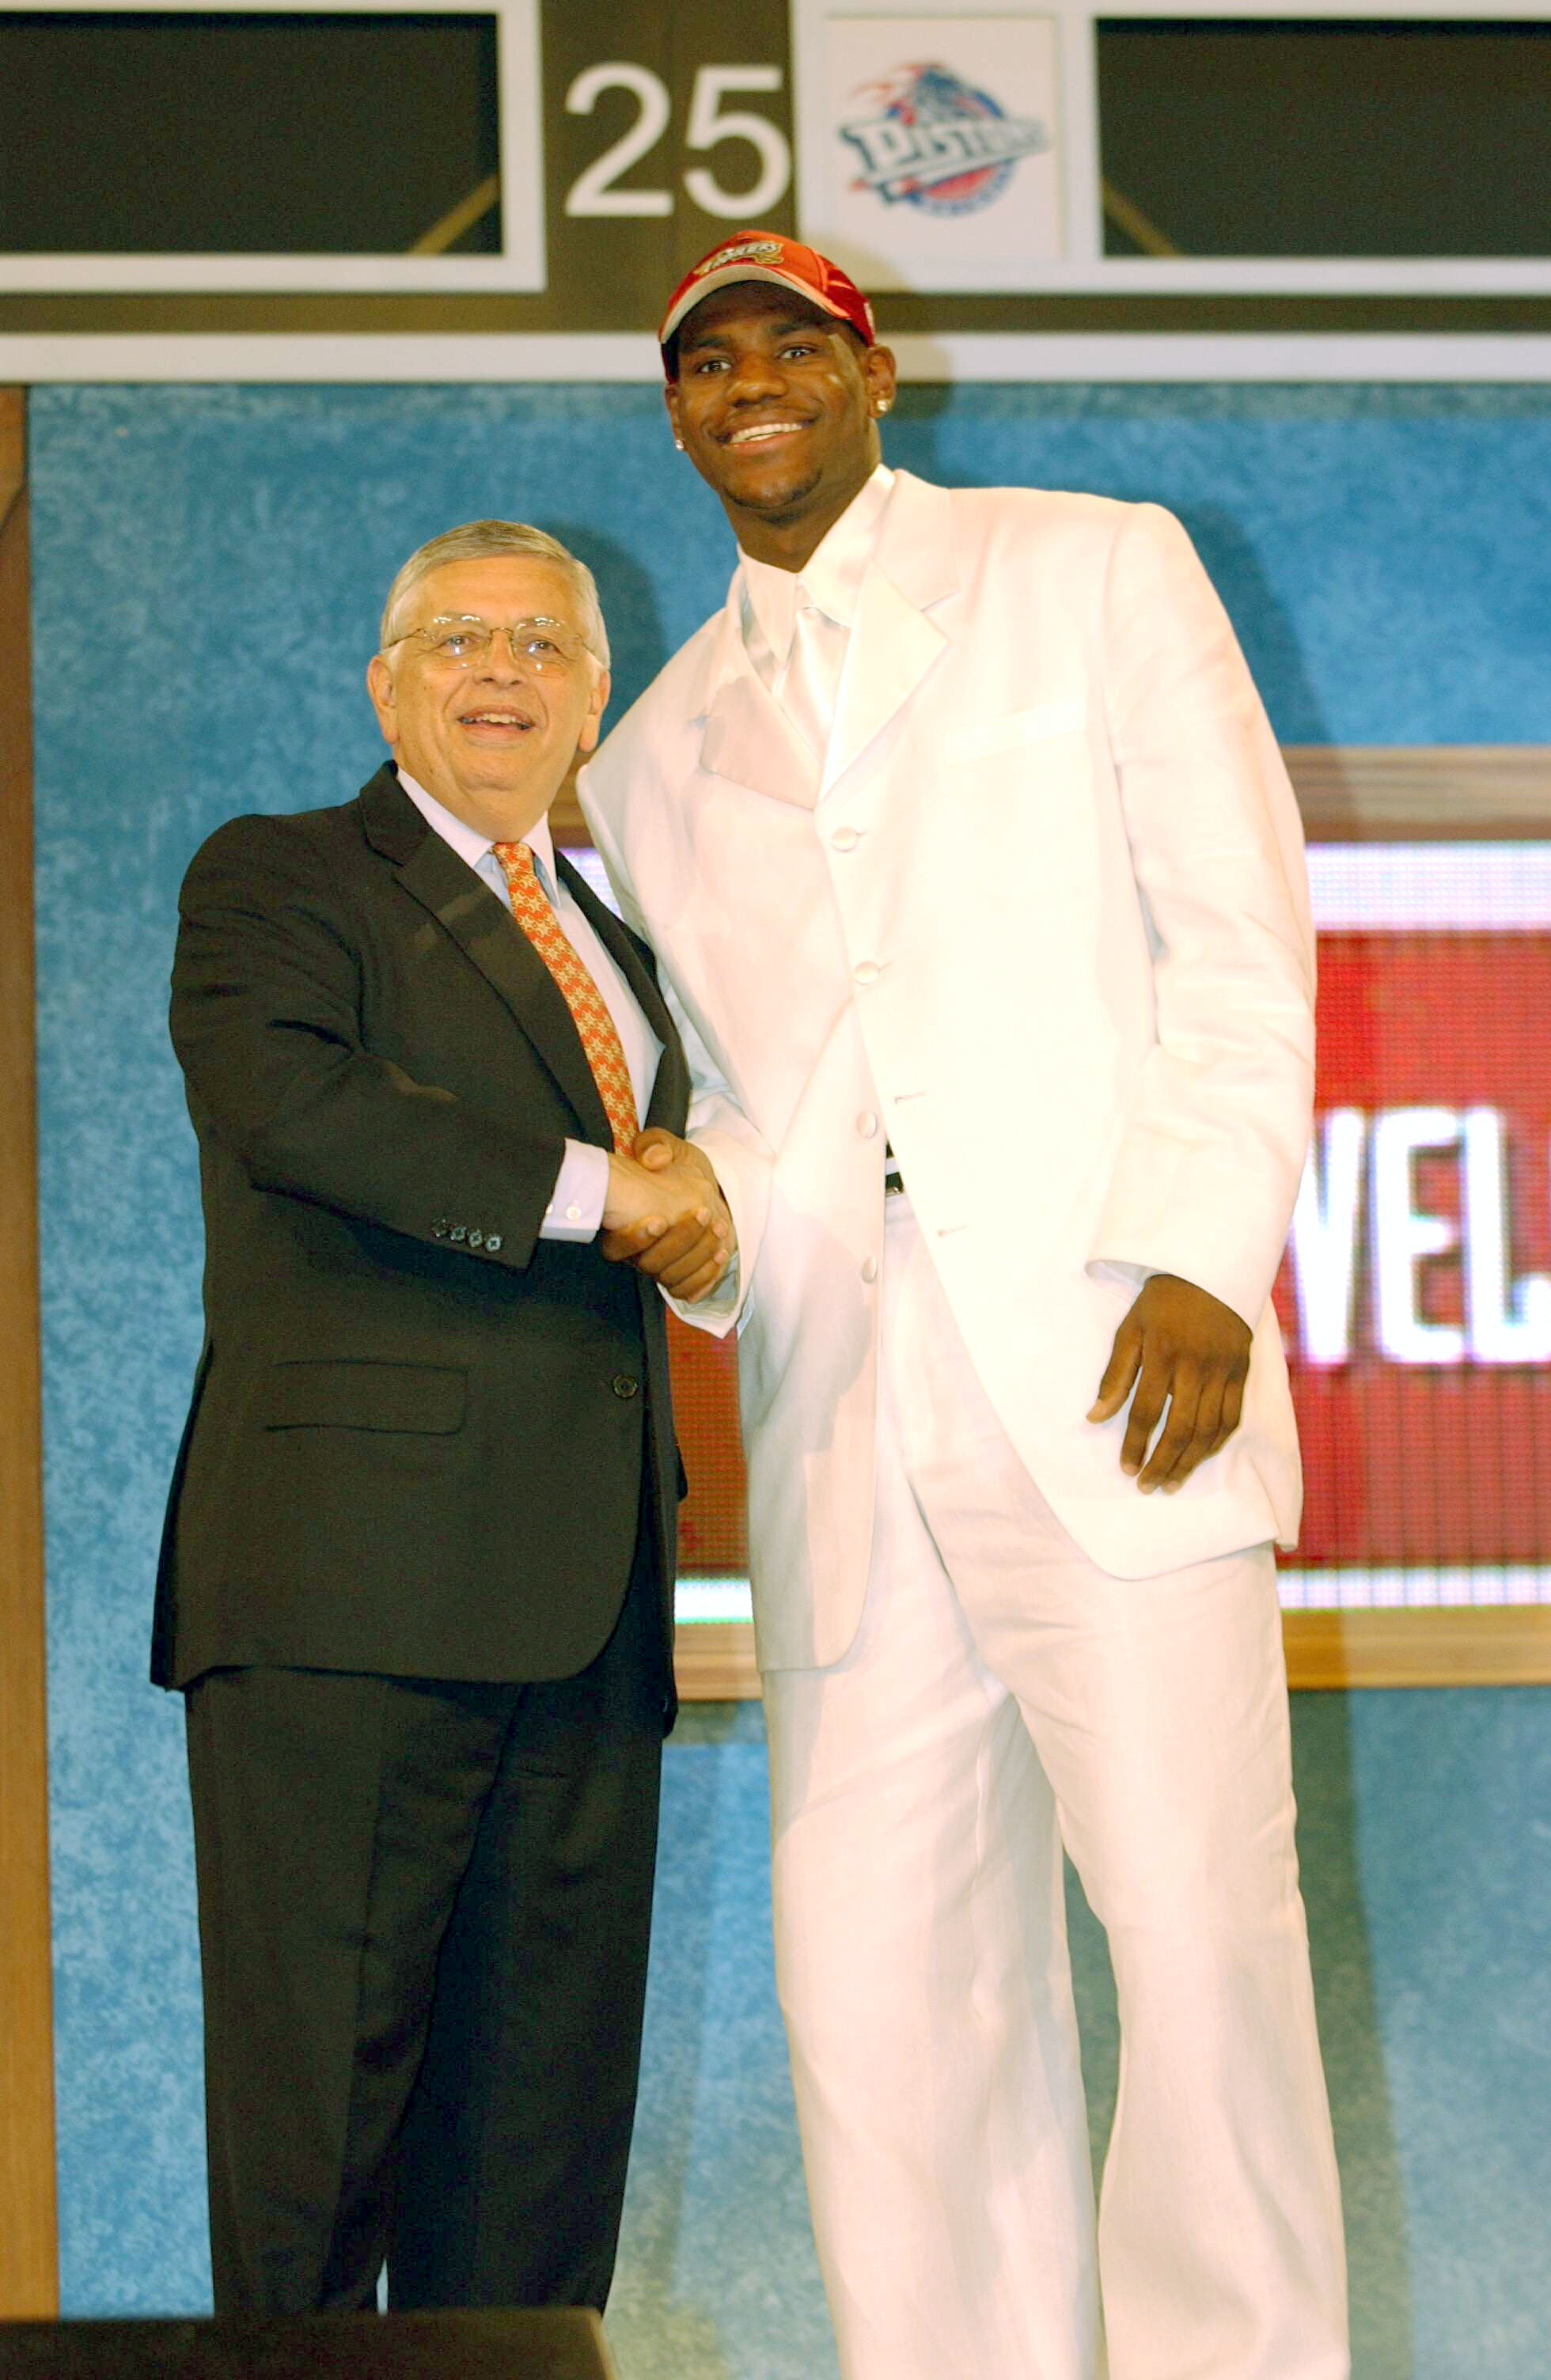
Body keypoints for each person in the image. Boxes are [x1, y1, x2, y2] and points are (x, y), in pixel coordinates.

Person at [579, 237, 1349, 2379]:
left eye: (792, 347)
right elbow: (747, 1100)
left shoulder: (1091, 569)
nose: (754, 386)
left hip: (1116, 1358)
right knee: (884, 1984)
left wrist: (1206, 1250)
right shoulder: (648, 760)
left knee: (1200, 1949)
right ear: (676, 416)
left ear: (875, 369)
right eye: (707, 363)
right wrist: (689, 1220)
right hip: (848, 1404)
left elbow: (1236, 932)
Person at [153, 519, 733, 2316]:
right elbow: (293, 1104)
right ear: (384, 682)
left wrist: (698, 1216)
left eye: (543, 644)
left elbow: (681, 1200)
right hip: (347, 1604)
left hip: (584, 1617)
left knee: (536, 2184)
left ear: (595, 695)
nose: (501, 670)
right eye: (458, 638)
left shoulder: (632, 946)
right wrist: (605, 1193)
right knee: (314, 2155)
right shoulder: (280, 876)